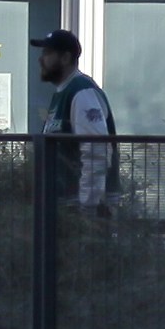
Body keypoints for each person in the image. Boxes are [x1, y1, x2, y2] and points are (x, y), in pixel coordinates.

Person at [33, 21, 115, 212]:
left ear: (65, 58)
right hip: (63, 204)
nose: (40, 59)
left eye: (47, 54)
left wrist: (88, 204)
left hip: (77, 207)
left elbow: (95, 149)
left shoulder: (82, 92)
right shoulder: (63, 92)